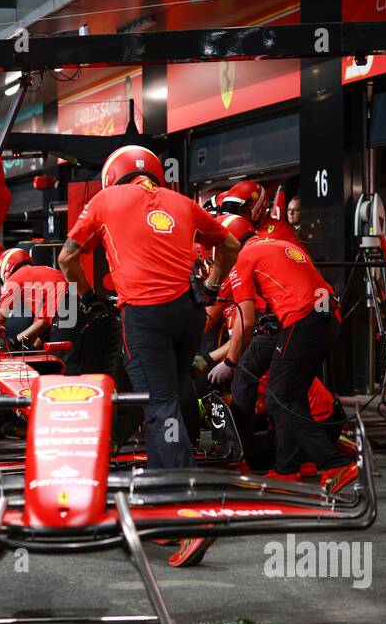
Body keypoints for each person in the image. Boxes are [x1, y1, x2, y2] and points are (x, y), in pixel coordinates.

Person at [60, 145, 239, 471]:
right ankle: (174, 462)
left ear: (111, 176)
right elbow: (230, 245)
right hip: (189, 312)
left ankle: (178, 483)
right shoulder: (183, 202)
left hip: (145, 315)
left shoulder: (104, 200)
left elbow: (67, 259)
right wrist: (212, 287)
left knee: (159, 402)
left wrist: (88, 297)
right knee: (176, 386)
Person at [210, 235, 357, 489]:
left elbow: (245, 322)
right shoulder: (282, 245)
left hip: (304, 318)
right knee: (291, 396)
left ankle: (334, 463)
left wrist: (230, 363)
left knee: (279, 399)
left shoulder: (243, 258)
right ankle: (286, 470)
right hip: (329, 316)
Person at [0, 248, 72, 350]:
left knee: (61, 359)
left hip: (65, 310)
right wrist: (16, 340)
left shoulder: (15, 278)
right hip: (76, 306)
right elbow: (41, 324)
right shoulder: (40, 276)